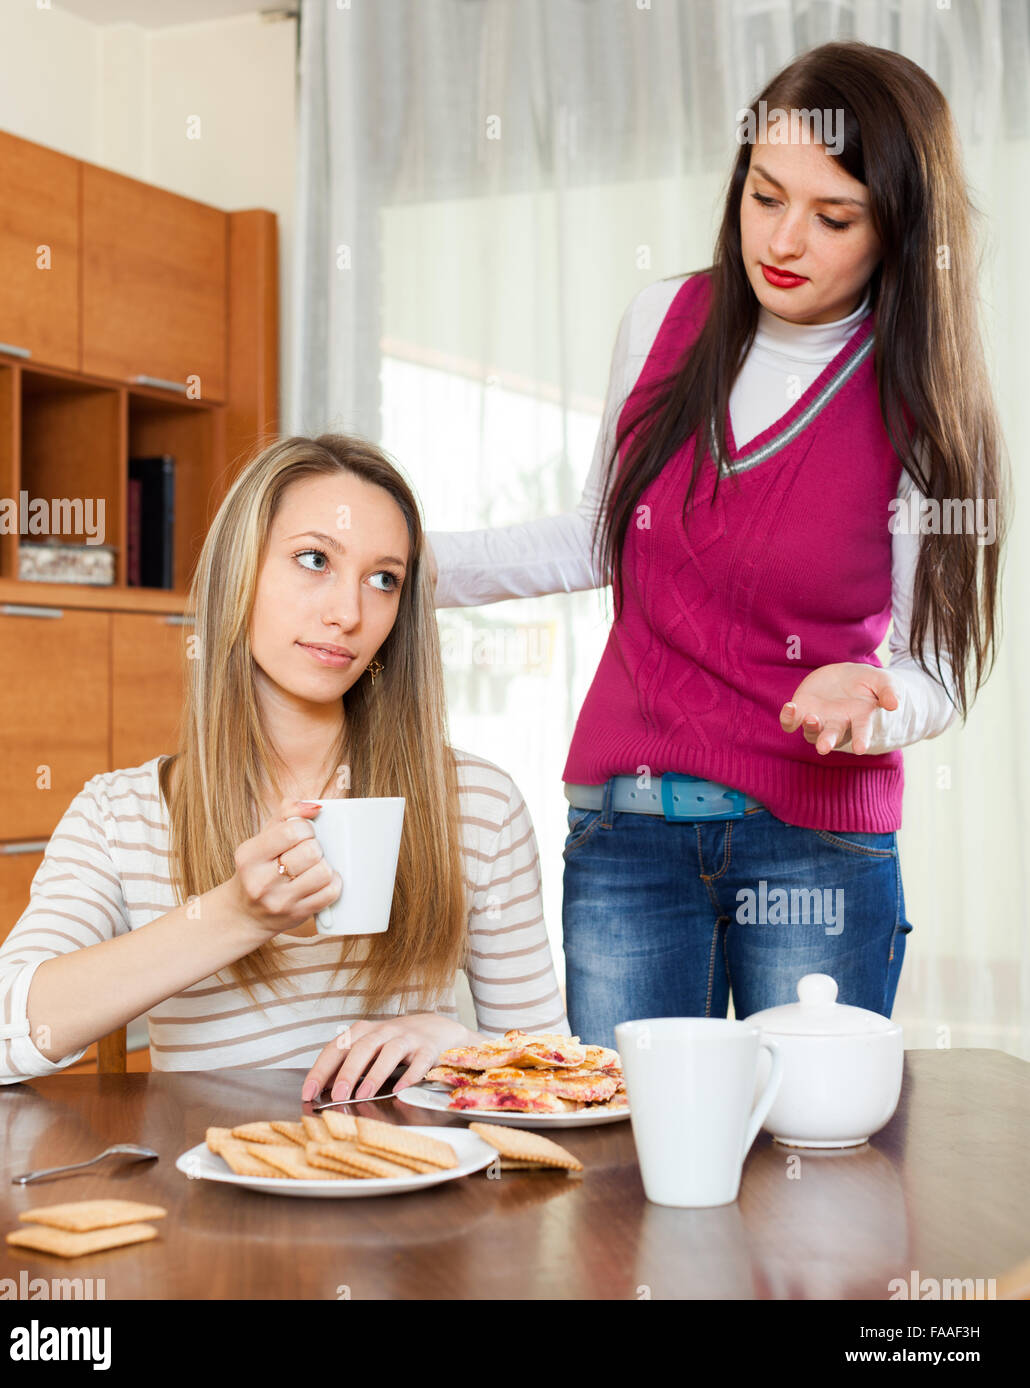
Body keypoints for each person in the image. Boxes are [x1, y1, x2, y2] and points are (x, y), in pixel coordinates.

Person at [426, 42, 1009, 1048]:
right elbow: (593, 536)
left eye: (832, 218)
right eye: (762, 194)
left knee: (811, 1166)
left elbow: (935, 670)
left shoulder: (921, 404)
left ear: (898, 231)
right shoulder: (663, 321)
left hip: (816, 845)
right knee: (629, 1169)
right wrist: (398, 564)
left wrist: (865, 707)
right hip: (628, 833)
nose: (781, 239)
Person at [0, 434, 570, 1094]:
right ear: (239, 570)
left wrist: (461, 1047)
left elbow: (554, 1078)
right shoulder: (123, 814)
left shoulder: (476, 802)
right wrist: (234, 917)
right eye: (314, 560)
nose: (347, 613)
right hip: (212, 1188)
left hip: (416, 1186)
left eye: (383, 579)